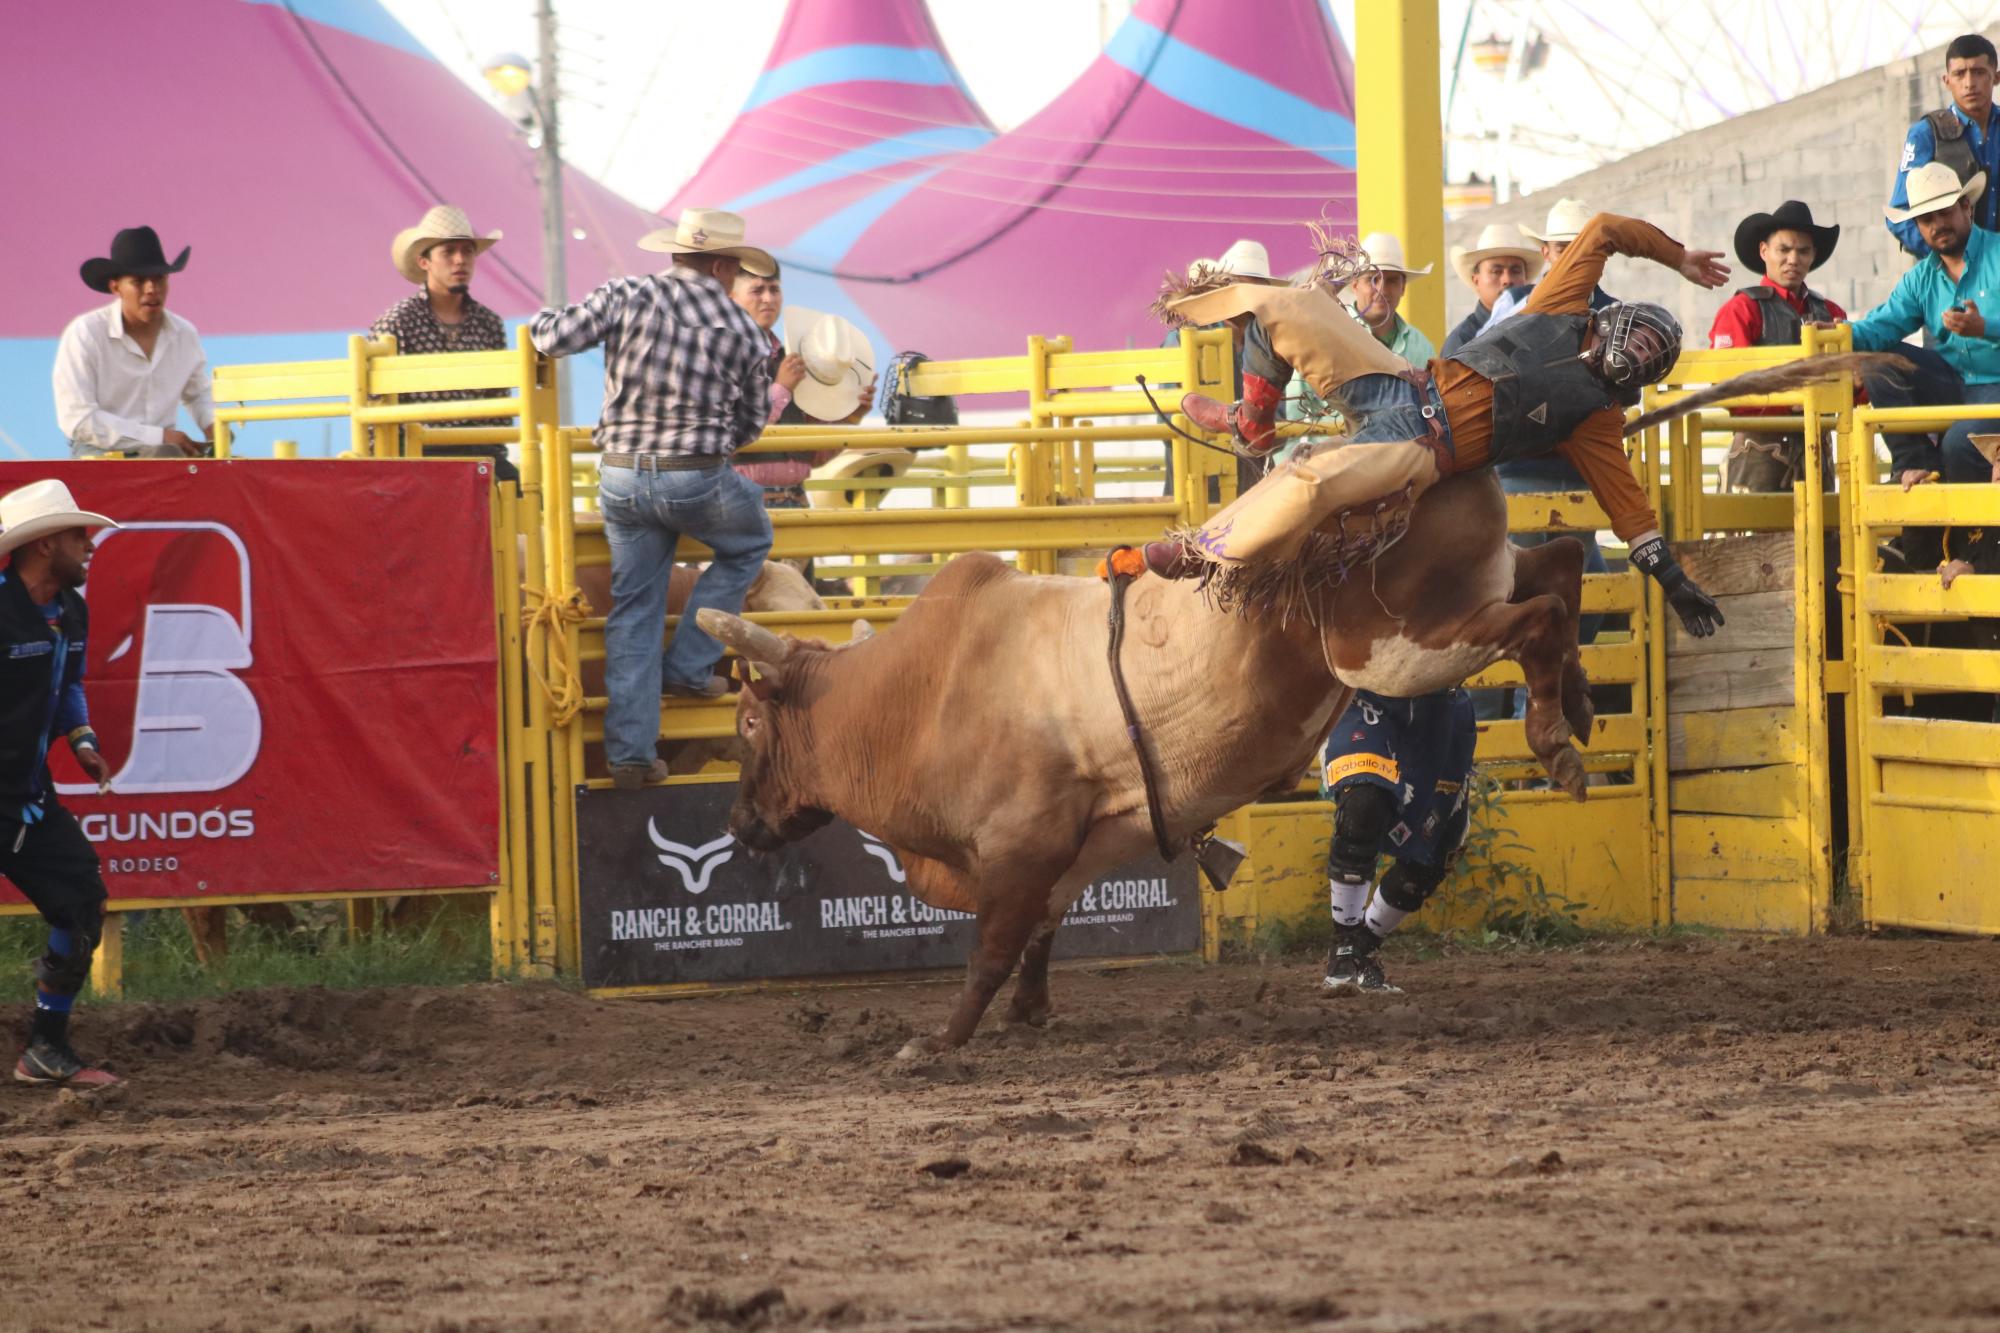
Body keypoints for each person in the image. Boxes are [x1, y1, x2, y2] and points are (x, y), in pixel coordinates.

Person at [1156, 210, 1732, 641]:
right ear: (1609, 320)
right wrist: (1676, 258)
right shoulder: (1561, 301)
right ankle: (1250, 422)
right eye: (1629, 340)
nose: (1621, 352)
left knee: (1314, 478)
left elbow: (1632, 514)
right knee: (1284, 306)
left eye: (1637, 354)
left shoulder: (1597, 421)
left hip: (1423, 447)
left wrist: (1674, 582)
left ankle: (1204, 552)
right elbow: (1605, 228)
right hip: (1402, 380)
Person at [529, 208, 776, 789]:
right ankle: (690, 666)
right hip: (695, 476)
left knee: (633, 611)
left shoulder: (627, 294)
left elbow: (553, 336)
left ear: (675, 255)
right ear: (723, 265)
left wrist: (540, 317)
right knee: (749, 541)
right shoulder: (744, 331)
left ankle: (632, 756)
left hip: (619, 477)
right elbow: (751, 423)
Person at [1, 481, 120, 1088]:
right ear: (44, 544)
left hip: (24, 795)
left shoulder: (70, 611)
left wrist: (82, 741)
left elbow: (68, 684)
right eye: (80, 535)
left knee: (81, 899)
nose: (90, 543)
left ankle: (45, 1050)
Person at [1846, 163, 2000, 497]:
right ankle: (1913, 461)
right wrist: (1838, 332)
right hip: (1952, 383)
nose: (1937, 226)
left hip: (1996, 384)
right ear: (1918, 226)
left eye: (1944, 213)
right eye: (1927, 220)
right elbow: (1880, 327)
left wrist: (1986, 327)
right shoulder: (1919, 279)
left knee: (1962, 442)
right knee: (1879, 360)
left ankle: (1974, 544)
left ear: (1966, 208)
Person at [1319, 687, 1475, 993]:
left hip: (1441, 706)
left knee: (1439, 848)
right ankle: (1344, 951)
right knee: (1362, 804)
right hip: (1367, 693)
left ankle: (1360, 946)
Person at [1707, 201, 1848, 492]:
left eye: (1803, 251)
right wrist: (1798, 400)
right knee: (1753, 535)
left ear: (1813, 256)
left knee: (1828, 534)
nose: (1793, 259)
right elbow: (1728, 387)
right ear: (1764, 251)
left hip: (1817, 448)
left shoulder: (1832, 312)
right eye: (1784, 250)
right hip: (1758, 449)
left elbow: (1854, 385)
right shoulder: (1741, 309)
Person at [370, 206, 516, 482]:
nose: (460, 260)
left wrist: (494, 454)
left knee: (527, 504)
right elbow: (376, 411)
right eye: (448, 252)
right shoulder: (398, 322)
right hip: (416, 454)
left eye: (467, 251)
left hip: (478, 453)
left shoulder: (489, 323)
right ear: (424, 262)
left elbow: (499, 407)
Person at [54, 227, 212, 459]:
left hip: (164, 455)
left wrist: (214, 428)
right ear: (116, 287)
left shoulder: (184, 334)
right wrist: (157, 436)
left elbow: (198, 395)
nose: (151, 289)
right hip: (100, 454)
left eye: (159, 279)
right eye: (139, 282)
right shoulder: (85, 333)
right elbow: (78, 420)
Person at [1282, 233, 1434, 455]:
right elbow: (1294, 416)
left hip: (1400, 465)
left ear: (1403, 288)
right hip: (1329, 462)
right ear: (1354, 285)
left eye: (1391, 280)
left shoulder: (1422, 347)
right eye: (1373, 278)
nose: (1381, 288)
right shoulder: (1326, 335)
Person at [1888, 33, 2000, 259]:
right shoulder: (1926, 134)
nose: (1969, 83)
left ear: (1996, 77)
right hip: (1951, 274)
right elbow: (1899, 213)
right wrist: (1946, 258)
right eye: (1960, 74)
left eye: (1979, 72)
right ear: (1946, 81)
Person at [1440, 222, 1542, 358]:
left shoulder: (1539, 328)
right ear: (1476, 280)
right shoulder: (1462, 341)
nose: (1507, 279)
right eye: (1496, 271)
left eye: (1515, 271)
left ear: (1526, 280)